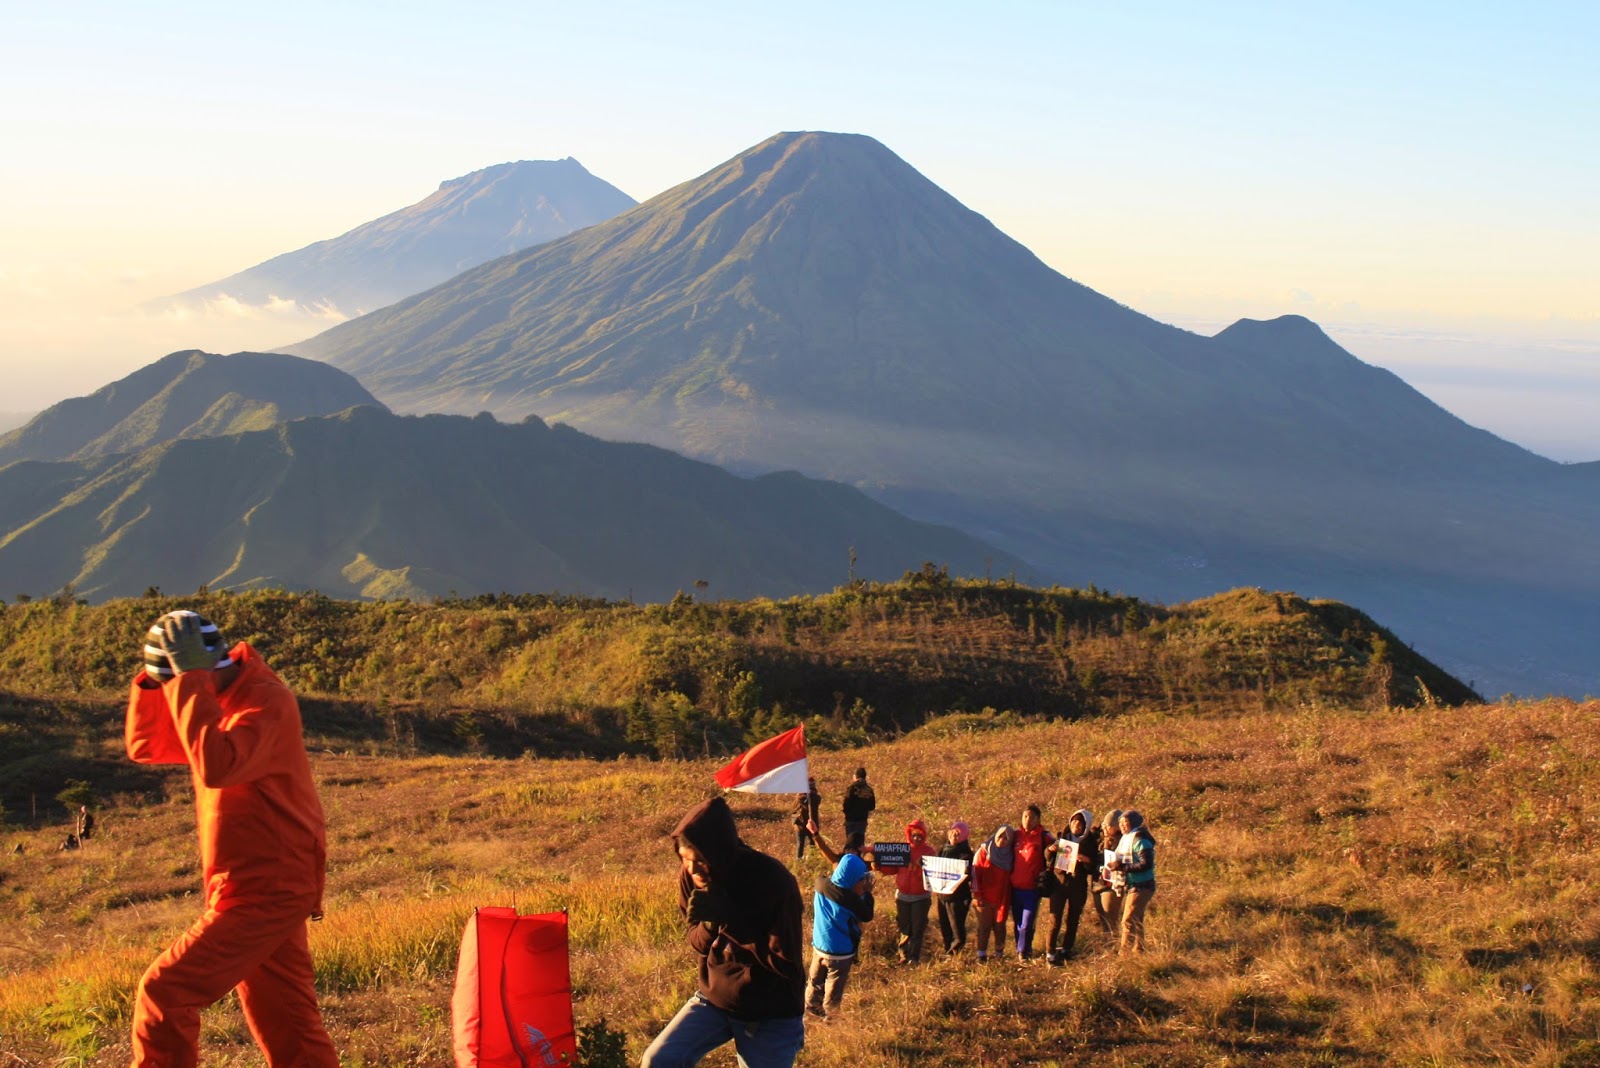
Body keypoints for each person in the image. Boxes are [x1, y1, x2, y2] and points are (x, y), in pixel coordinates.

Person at [124, 609, 338, 1067]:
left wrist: (188, 679)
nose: (174, 694)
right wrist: (161, 680)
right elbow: (148, 746)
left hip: (268, 888)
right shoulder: (215, 699)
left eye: (174, 684)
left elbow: (217, 765)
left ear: (204, 668)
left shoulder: (267, 703)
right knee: (287, 1021)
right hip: (247, 883)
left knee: (165, 993)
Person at [642, 796, 806, 1068]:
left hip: (770, 1013)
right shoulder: (691, 875)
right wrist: (709, 925)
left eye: (700, 861)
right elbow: (697, 941)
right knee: (658, 1060)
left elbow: (785, 962)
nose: (693, 869)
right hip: (715, 1000)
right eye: (685, 860)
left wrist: (732, 919)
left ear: (719, 853)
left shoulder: (772, 881)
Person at [805, 838, 875, 1020]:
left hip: (819, 946)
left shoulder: (820, 884)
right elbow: (866, 915)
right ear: (854, 879)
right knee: (833, 990)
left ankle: (810, 1011)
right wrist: (867, 893)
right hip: (840, 953)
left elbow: (833, 884)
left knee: (814, 982)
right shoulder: (852, 901)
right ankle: (830, 1018)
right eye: (860, 879)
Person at [1044, 808, 1099, 964]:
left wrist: (1086, 860)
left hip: (1077, 885)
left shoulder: (1090, 843)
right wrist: (1050, 849)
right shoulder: (1063, 838)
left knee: (1073, 918)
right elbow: (1047, 856)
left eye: (1080, 823)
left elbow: (1093, 867)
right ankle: (1050, 952)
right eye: (1074, 821)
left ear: (1086, 826)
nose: (1076, 825)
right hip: (1059, 883)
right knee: (1055, 918)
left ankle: (1067, 949)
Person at [1105, 809, 1157, 954]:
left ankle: (1124, 953)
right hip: (1133, 884)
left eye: (1125, 822)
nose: (1121, 826)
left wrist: (1122, 867)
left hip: (1143, 885)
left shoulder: (1140, 840)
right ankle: (1139, 950)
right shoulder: (1127, 838)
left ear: (1133, 823)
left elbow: (1145, 864)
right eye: (1120, 823)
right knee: (1137, 919)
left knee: (1127, 920)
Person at [1010, 804, 1055, 961]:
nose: (1028, 820)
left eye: (1032, 817)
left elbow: (1058, 852)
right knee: (1017, 922)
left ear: (1038, 819)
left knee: (1027, 922)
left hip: (1032, 888)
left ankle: (1023, 951)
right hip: (1015, 887)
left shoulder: (1045, 837)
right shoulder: (1015, 836)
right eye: (1025, 816)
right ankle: (1023, 949)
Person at [887, 818, 936, 964]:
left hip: (921, 896)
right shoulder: (902, 850)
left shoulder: (929, 852)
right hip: (902, 896)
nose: (916, 838)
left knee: (917, 927)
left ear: (924, 836)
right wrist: (880, 865)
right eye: (914, 835)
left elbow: (932, 873)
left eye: (920, 835)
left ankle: (914, 957)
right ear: (909, 834)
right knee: (904, 927)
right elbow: (892, 868)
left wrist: (918, 865)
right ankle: (903, 955)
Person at [971, 825, 1014, 963]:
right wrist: (977, 894)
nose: (1002, 840)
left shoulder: (1011, 856)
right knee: (984, 927)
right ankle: (981, 954)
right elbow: (975, 874)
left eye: (1006, 838)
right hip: (984, 897)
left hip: (1002, 898)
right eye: (1000, 836)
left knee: (1000, 927)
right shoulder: (984, 851)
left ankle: (999, 954)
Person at [933, 821, 973, 956]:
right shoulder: (942, 849)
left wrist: (966, 870)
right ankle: (948, 952)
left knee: (957, 928)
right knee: (945, 927)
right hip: (942, 894)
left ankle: (954, 952)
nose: (954, 836)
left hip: (958, 897)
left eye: (958, 834)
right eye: (953, 833)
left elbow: (969, 874)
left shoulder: (966, 853)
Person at [1091, 808, 1124, 938]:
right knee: (1103, 919)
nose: (1105, 828)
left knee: (1111, 919)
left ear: (1116, 827)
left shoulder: (1122, 842)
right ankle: (1107, 944)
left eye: (1108, 826)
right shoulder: (1098, 840)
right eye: (1104, 825)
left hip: (1111, 885)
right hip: (1097, 883)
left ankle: (1113, 946)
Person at [841, 767, 876, 849]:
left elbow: (846, 804)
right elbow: (872, 806)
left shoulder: (851, 788)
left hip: (851, 820)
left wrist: (847, 813)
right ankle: (860, 859)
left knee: (850, 842)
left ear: (855, 776)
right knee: (860, 843)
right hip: (862, 820)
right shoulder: (869, 789)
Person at [793, 777, 821, 860]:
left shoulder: (815, 796)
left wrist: (811, 794)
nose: (812, 786)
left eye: (813, 784)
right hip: (800, 824)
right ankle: (799, 861)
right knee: (800, 844)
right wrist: (807, 795)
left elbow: (816, 802)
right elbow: (803, 802)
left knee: (812, 844)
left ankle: (812, 860)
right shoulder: (800, 796)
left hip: (811, 824)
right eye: (810, 785)